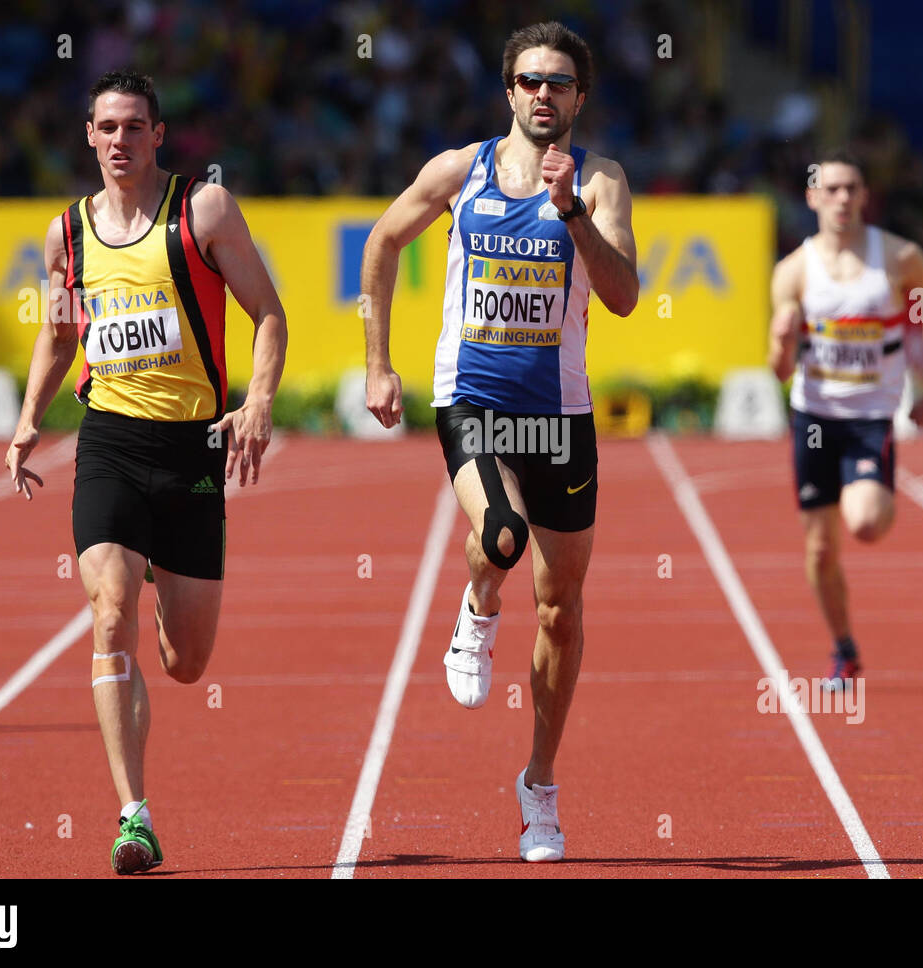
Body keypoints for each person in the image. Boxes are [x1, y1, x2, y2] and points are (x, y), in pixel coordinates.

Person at [361, 21, 637, 862]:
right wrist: (378, 363)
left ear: (579, 98)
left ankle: (540, 788)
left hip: (560, 416)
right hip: (472, 400)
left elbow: (623, 295)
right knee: (500, 538)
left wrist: (571, 215)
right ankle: (478, 607)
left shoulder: (602, 182)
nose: (543, 93)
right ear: (509, 91)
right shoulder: (460, 171)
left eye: (559, 81)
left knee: (561, 607)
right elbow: (381, 243)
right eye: (529, 80)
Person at [4, 70, 287, 874]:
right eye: (107, 128)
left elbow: (268, 312)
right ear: (88, 137)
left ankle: (163, 579)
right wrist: (29, 420)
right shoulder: (66, 232)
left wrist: (258, 401)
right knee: (108, 608)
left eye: (135, 127)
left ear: (158, 135)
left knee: (187, 665)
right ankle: (135, 816)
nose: (120, 141)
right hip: (110, 447)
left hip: (192, 454)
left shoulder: (202, 210)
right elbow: (60, 335)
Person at [767, 149, 923, 689]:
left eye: (852, 189)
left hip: (871, 417)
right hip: (814, 418)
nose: (843, 198)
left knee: (866, 523)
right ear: (813, 197)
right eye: (833, 189)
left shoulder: (899, 256)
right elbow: (777, 371)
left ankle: (868, 486)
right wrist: (781, 342)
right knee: (820, 548)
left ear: (865, 196)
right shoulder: (793, 271)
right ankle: (843, 648)